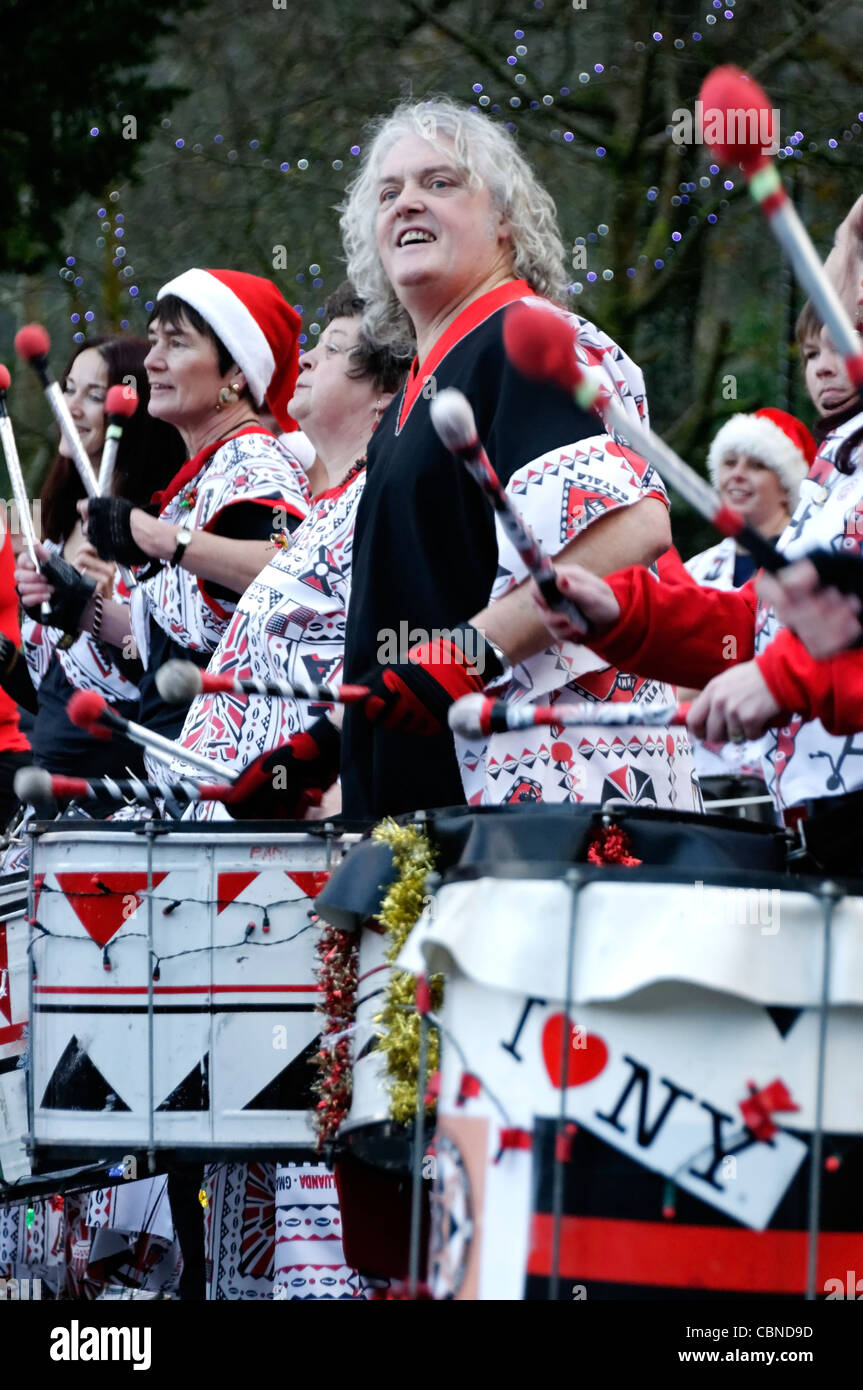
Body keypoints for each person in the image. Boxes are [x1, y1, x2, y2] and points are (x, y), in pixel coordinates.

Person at [282, 97, 685, 820]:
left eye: (439, 183)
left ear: (505, 220)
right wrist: (328, 738)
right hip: (432, 806)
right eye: (388, 192)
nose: (408, 202)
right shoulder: (415, 386)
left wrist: (463, 658)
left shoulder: (520, 339)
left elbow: (631, 532)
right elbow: (426, 606)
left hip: (542, 806)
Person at [17, 270, 311, 783]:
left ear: (235, 373)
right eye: (153, 341)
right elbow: (173, 643)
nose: (152, 360)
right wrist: (81, 605)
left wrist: (154, 537)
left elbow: (296, 577)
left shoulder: (256, 463)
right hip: (184, 771)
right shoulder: (200, 476)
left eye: (176, 343)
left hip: (235, 777)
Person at [171, 281, 409, 823]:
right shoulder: (331, 505)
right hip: (223, 830)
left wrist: (336, 776)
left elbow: (407, 654)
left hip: (291, 840)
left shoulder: (385, 498)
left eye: (332, 350)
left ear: (385, 392)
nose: (305, 358)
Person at [13, 335, 185, 786]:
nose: (68, 407)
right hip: (50, 799)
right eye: (67, 388)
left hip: (123, 806)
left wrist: (104, 617)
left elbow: (164, 673)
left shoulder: (156, 530)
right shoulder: (58, 521)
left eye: (93, 396)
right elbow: (52, 693)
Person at [681, 408, 815, 816]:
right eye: (729, 462)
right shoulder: (693, 571)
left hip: (792, 785)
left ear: (787, 485)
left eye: (756, 464)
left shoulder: (815, 563)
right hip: (702, 788)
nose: (737, 474)